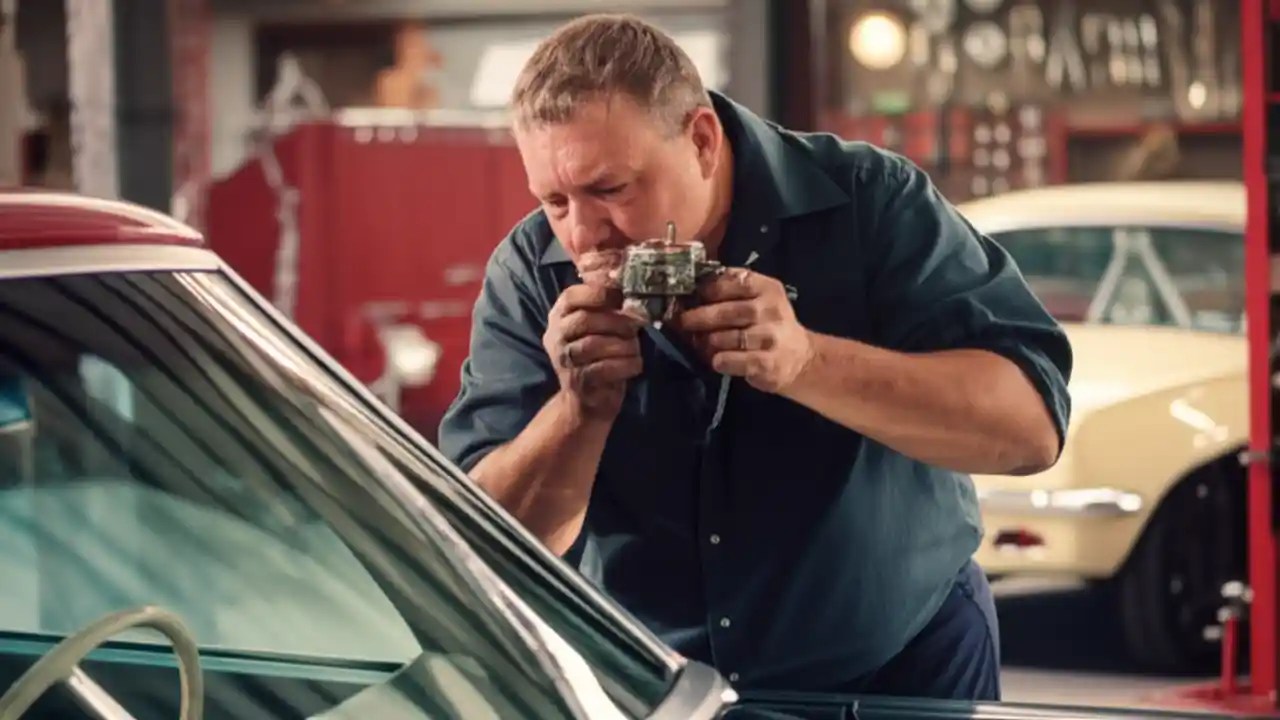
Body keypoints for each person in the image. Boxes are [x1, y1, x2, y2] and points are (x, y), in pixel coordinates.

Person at [439, 13, 1072, 702]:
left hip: (897, 669)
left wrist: (808, 363)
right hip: (655, 688)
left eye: (611, 189)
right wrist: (575, 414)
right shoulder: (532, 272)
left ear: (703, 141)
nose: (585, 235)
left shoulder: (869, 203)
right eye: (555, 200)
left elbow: (1028, 431)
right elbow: (482, 548)